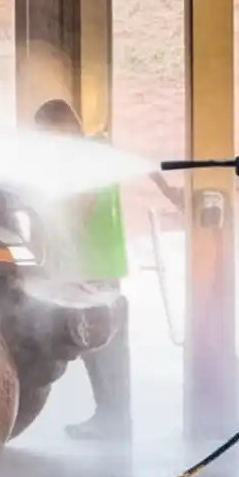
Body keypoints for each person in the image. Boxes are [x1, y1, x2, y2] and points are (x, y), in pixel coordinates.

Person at [32, 98, 183, 441]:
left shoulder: (79, 160)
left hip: (90, 266)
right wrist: (170, 192)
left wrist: (56, 256)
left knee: (98, 347)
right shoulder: (98, 147)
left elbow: (77, 211)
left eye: (44, 133)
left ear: (59, 128)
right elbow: (142, 162)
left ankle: (113, 419)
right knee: (109, 347)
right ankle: (113, 416)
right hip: (106, 262)